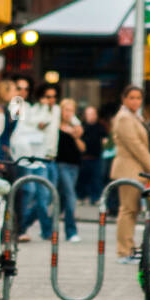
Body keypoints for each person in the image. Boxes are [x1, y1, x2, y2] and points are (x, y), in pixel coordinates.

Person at [110, 85, 150, 263]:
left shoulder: (136, 116)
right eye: (131, 97)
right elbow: (134, 144)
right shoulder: (124, 118)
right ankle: (124, 251)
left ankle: (129, 248)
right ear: (124, 99)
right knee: (128, 210)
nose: (135, 101)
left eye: (138, 98)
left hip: (138, 169)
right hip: (129, 168)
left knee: (133, 210)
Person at [10, 83, 59, 241]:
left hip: (51, 156)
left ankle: (24, 223)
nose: (50, 100)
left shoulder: (57, 110)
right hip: (36, 156)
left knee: (48, 196)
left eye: (53, 97)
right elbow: (29, 125)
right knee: (37, 193)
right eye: (47, 96)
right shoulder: (33, 109)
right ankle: (45, 231)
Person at [54, 98, 85, 241]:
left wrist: (76, 136)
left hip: (75, 164)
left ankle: (47, 226)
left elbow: (82, 148)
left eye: (71, 110)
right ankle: (71, 231)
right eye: (66, 110)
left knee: (61, 199)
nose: (68, 113)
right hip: (61, 164)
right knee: (71, 196)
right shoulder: (55, 126)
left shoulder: (76, 127)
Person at [75, 105, 106, 206]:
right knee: (82, 178)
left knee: (96, 179)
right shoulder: (81, 126)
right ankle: (81, 196)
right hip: (83, 157)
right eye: (89, 114)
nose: (91, 116)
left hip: (96, 157)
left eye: (93, 114)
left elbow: (105, 140)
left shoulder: (100, 127)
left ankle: (95, 197)